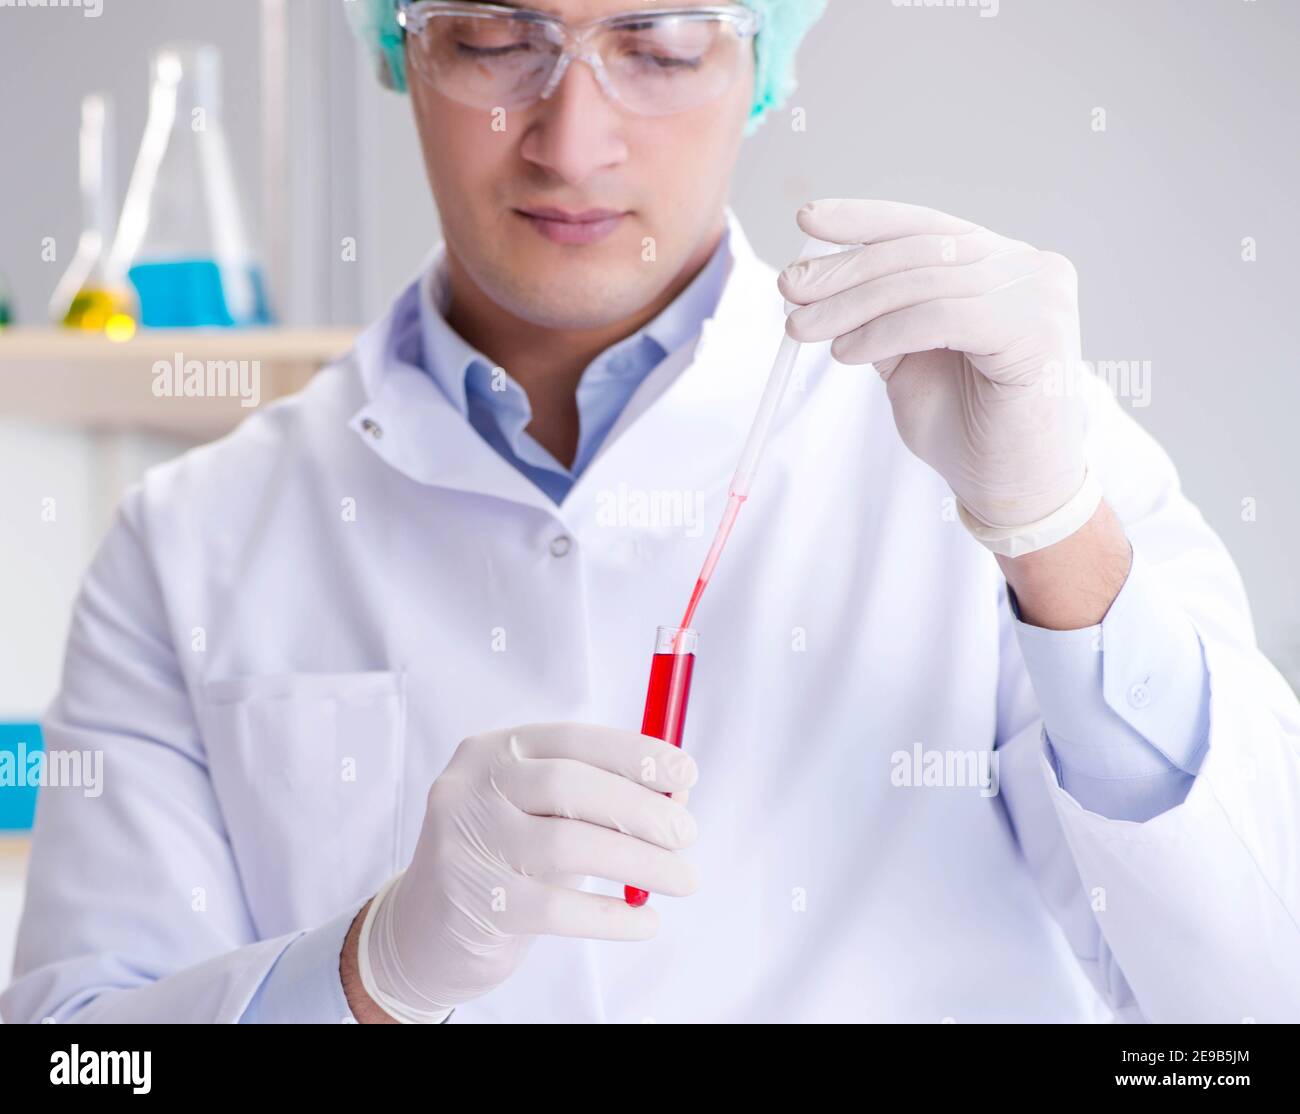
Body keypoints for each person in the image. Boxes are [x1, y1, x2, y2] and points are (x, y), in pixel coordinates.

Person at [4, 0, 1298, 1025]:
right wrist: (367, 972)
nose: (572, 140)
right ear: (402, 45)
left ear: (763, 59)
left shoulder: (1002, 442)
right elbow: (88, 1056)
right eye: (498, 37)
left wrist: (1054, 533)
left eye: (663, 44)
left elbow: (1252, 990)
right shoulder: (191, 539)